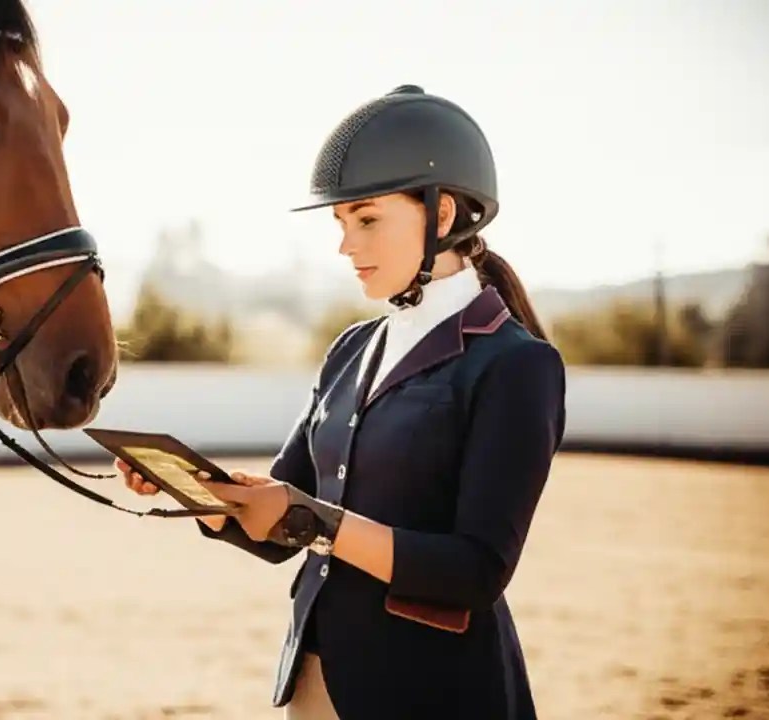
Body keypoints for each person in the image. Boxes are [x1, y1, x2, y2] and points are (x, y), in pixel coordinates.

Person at [115, 84, 566, 719]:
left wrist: (312, 519)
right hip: (318, 683)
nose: (346, 246)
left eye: (368, 219)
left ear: (441, 217)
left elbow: (476, 571)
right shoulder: (351, 349)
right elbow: (281, 528)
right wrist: (201, 494)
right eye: (341, 223)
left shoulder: (518, 365)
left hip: (436, 694)